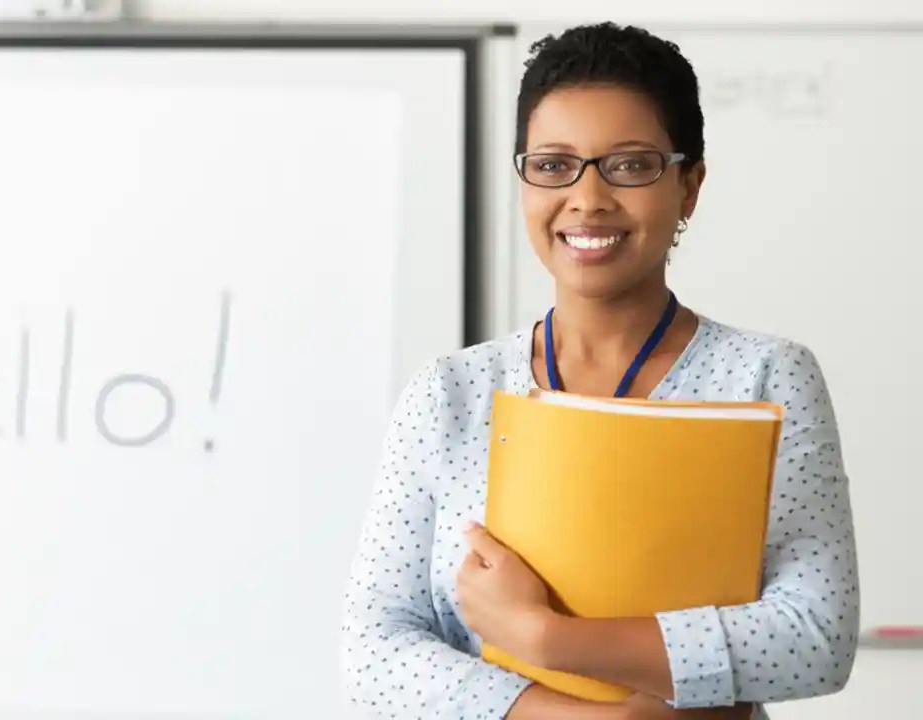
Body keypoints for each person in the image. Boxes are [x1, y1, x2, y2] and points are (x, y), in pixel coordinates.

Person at [339, 22, 859, 720]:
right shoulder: (451, 393)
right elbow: (374, 651)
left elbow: (813, 638)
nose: (588, 198)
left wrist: (546, 636)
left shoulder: (764, 376)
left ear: (689, 186)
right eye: (554, 164)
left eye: (630, 164)